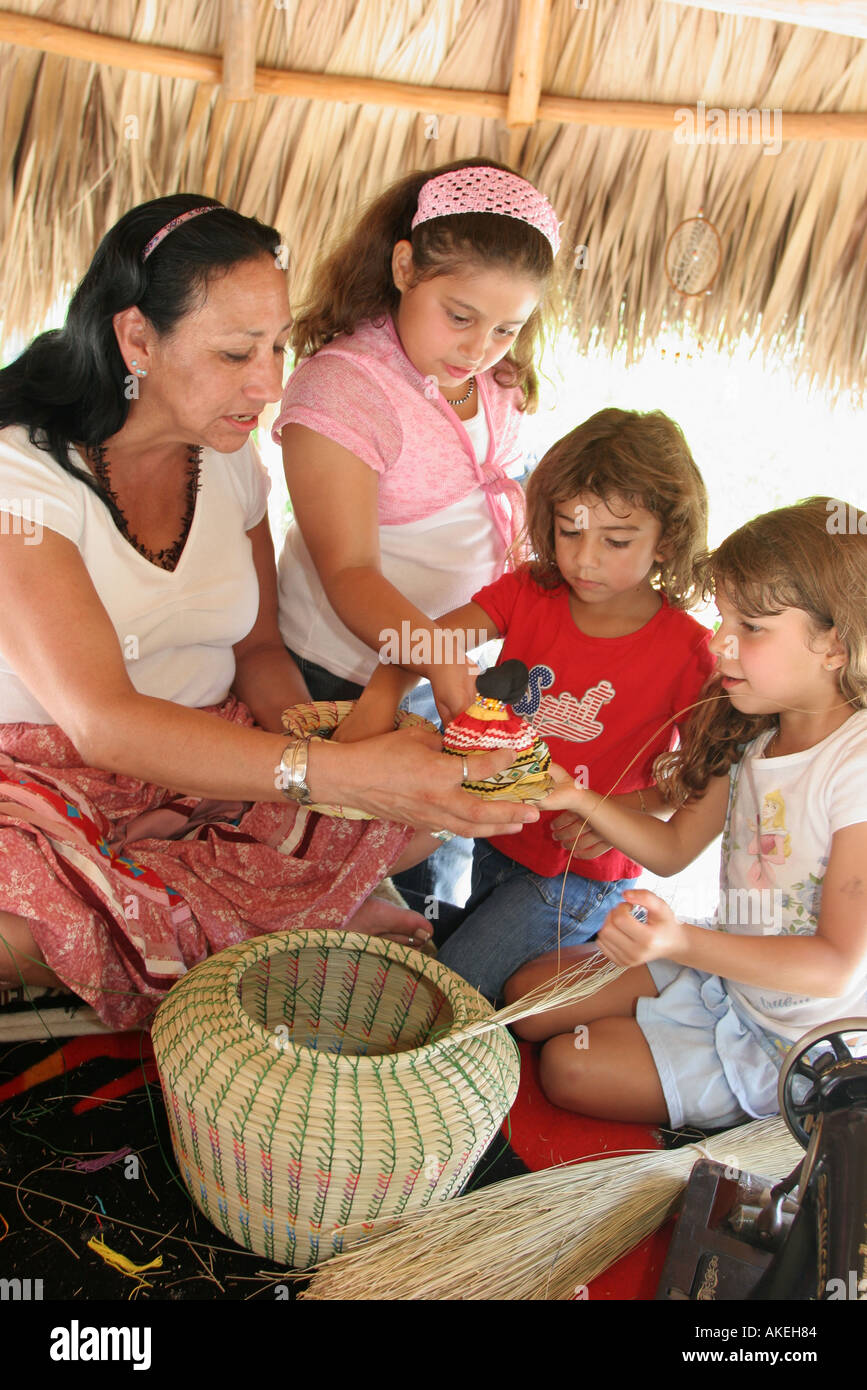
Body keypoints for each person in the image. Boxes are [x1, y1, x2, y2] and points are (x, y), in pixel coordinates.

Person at [0, 194, 539, 1031]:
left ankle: (221, 914)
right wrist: (333, 776)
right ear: (137, 338)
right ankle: (269, 917)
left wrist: (325, 744)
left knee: (423, 817)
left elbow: (255, 650)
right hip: (42, 777)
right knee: (23, 920)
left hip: (213, 754)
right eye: (235, 353)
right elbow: (103, 722)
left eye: (280, 345)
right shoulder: (18, 476)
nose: (271, 384)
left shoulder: (229, 461)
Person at [505, 498, 867, 1129]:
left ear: (834, 646)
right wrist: (580, 796)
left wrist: (680, 941)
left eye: (751, 627)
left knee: (568, 1066)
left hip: (790, 1041)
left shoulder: (854, 768)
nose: (721, 642)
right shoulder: (754, 730)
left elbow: (835, 965)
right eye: (724, 617)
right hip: (721, 966)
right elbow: (674, 850)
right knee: (528, 1001)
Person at [345, 408, 715, 999]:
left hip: (579, 874)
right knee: (454, 958)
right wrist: (386, 687)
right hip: (499, 839)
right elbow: (426, 641)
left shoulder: (689, 652)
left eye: (616, 541)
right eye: (570, 530)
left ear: (668, 541)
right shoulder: (529, 592)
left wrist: (620, 812)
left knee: (454, 987)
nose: (585, 559)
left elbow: (705, 782)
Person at [271, 159, 561, 903]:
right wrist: (433, 656)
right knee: (336, 872)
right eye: (458, 316)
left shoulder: (495, 382)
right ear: (404, 266)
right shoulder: (346, 388)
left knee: (428, 862)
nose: (478, 347)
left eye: (507, 326)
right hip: (341, 672)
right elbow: (350, 574)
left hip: (447, 666)